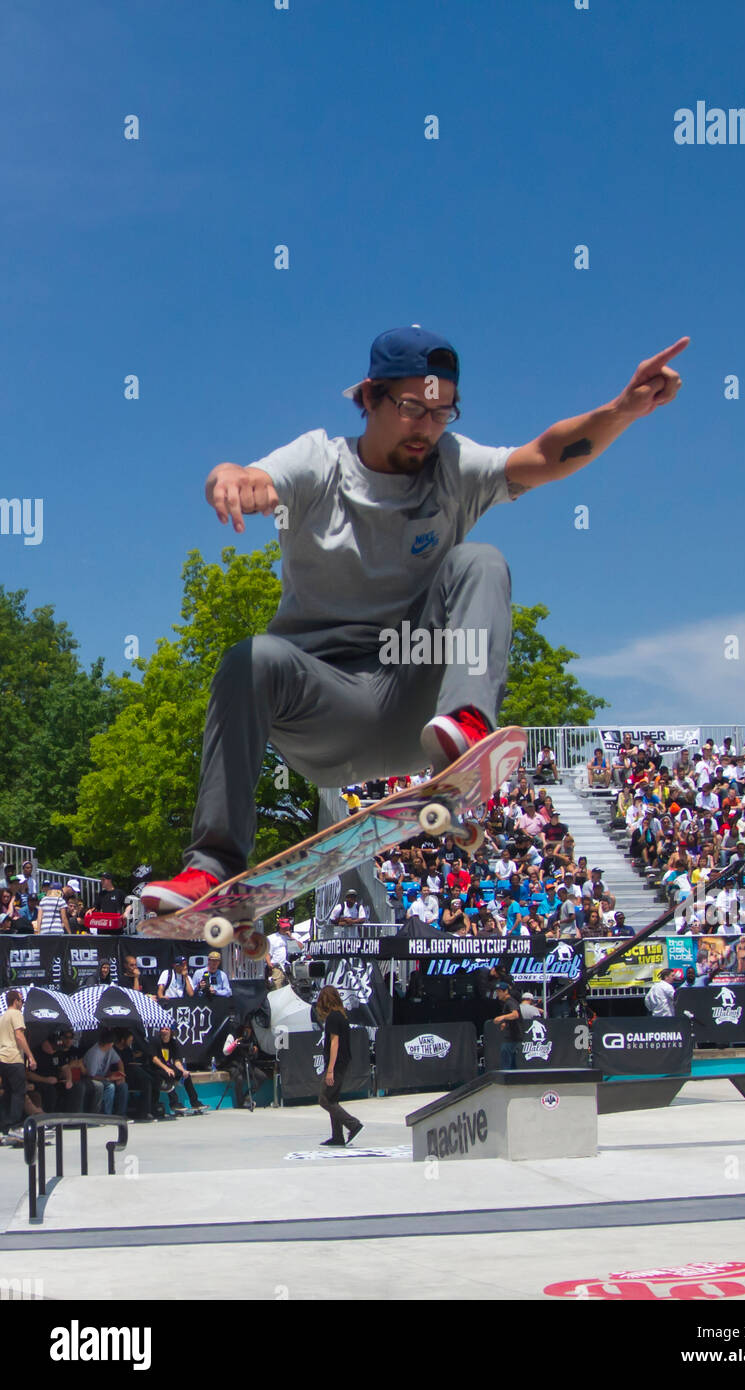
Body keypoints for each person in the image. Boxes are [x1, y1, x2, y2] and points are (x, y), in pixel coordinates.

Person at [141, 326, 687, 913]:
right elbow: (252, 475)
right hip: (322, 710)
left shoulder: (453, 467)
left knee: (480, 560)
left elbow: (546, 456)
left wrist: (623, 409)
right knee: (250, 658)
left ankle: (468, 728)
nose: (426, 427)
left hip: (415, 695)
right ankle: (213, 866)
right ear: (370, 397)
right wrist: (229, 477)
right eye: (410, 409)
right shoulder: (319, 461)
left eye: (440, 412)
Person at [314, 985, 362, 1147]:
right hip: (343, 1061)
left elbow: (335, 1043)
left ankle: (352, 1124)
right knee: (332, 1098)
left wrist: (330, 1070)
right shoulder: (341, 1015)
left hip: (337, 1063)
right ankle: (337, 1136)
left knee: (325, 1099)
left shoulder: (333, 1018)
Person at [0, 989, 37, 1139]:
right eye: (22, 1001)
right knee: (19, 1092)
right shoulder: (16, 1014)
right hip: (14, 1058)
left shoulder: (3, 1017)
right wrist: (30, 1056)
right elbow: (19, 1036)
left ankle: (5, 1126)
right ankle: (14, 1126)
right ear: (15, 1001)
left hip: (2, 1058)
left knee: (7, 1093)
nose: (22, 1004)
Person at [83, 1029, 129, 1116]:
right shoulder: (94, 1053)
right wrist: (108, 1078)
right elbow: (91, 1076)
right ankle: (106, 1115)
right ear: (109, 1043)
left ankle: (121, 1115)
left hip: (105, 1078)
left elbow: (119, 1062)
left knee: (123, 1086)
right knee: (110, 1087)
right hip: (92, 1079)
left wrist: (121, 1076)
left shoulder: (110, 1050)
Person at [492, 982, 523, 1069]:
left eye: (499, 991)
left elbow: (515, 1014)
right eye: (497, 991)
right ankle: (514, 1078)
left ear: (506, 991)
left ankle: (507, 1077)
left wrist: (502, 1017)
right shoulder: (506, 1003)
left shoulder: (510, 1002)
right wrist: (505, 1022)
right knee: (512, 1059)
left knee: (505, 1053)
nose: (498, 993)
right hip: (513, 1035)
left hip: (514, 1036)